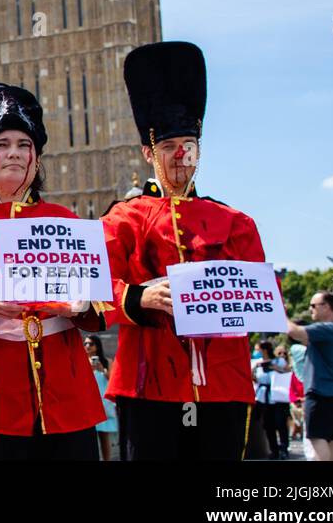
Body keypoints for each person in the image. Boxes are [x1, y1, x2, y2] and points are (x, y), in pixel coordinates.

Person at [102, 42, 265, 460]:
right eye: (169, 145)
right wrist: (138, 297)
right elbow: (95, 292)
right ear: (147, 153)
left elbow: (259, 296)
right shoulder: (122, 219)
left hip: (223, 383)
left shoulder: (237, 222)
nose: (180, 156)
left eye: (188, 145)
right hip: (148, 381)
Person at [0, 81, 106, 460]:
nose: (14, 154)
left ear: (36, 158)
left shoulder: (67, 220)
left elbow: (103, 305)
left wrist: (81, 305)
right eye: (0, 146)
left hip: (66, 400)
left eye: (24, 145)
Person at [286, 291, 333, 461]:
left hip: (320, 392)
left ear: (327, 307)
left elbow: (294, 331)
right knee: (332, 439)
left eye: (313, 305)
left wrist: (279, 313)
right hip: (332, 392)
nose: (310, 309)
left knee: (317, 438)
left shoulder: (326, 328)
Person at [253, 341, 290, 458]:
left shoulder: (279, 361)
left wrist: (274, 368)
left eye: (258, 349)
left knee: (281, 424)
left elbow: (288, 372)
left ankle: (284, 449)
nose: (257, 352)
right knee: (268, 425)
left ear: (264, 350)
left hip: (278, 396)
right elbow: (256, 379)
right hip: (263, 397)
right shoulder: (258, 364)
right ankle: (274, 450)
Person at [84, 335, 118, 460]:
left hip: (103, 401)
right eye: (86, 343)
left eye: (91, 343)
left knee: (104, 435)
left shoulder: (106, 361)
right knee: (88, 436)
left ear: (97, 345)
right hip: (88, 401)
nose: (87, 346)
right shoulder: (81, 361)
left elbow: (112, 379)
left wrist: (102, 369)